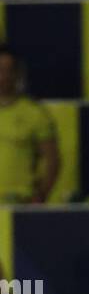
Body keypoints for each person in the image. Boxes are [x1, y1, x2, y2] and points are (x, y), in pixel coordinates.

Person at [0, 45, 59, 204]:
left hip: (19, 202)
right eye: (0, 70)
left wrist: (40, 196)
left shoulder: (35, 113)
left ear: (16, 74)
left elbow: (52, 161)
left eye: (8, 70)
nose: (3, 76)